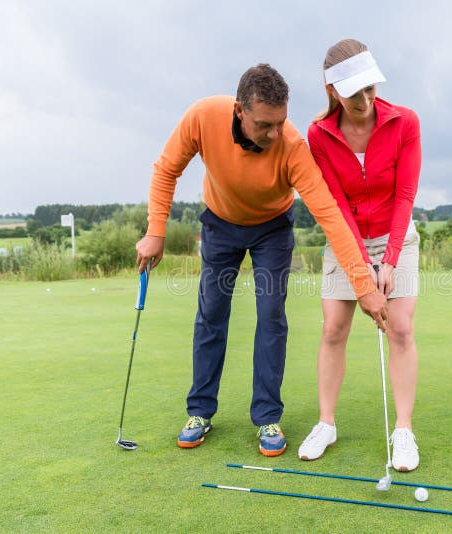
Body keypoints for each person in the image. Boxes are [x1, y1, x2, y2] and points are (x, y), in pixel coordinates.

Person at [135, 64, 387, 457]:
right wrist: (155, 231)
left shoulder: (291, 145)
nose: (275, 134)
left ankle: (267, 416)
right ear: (239, 111)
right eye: (264, 125)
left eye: (281, 122)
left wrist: (364, 287)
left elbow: (330, 216)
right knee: (211, 313)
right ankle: (200, 411)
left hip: (272, 229)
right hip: (220, 224)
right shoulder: (203, 116)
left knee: (271, 314)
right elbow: (167, 169)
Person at [297, 40, 422, 471]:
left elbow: (405, 194)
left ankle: (403, 431)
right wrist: (361, 268)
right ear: (332, 89)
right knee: (333, 328)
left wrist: (387, 261)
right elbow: (332, 203)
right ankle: (326, 423)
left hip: (396, 235)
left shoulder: (405, 122)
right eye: (354, 93)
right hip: (345, 238)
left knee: (400, 329)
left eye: (371, 88)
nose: (366, 100)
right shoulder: (318, 135)